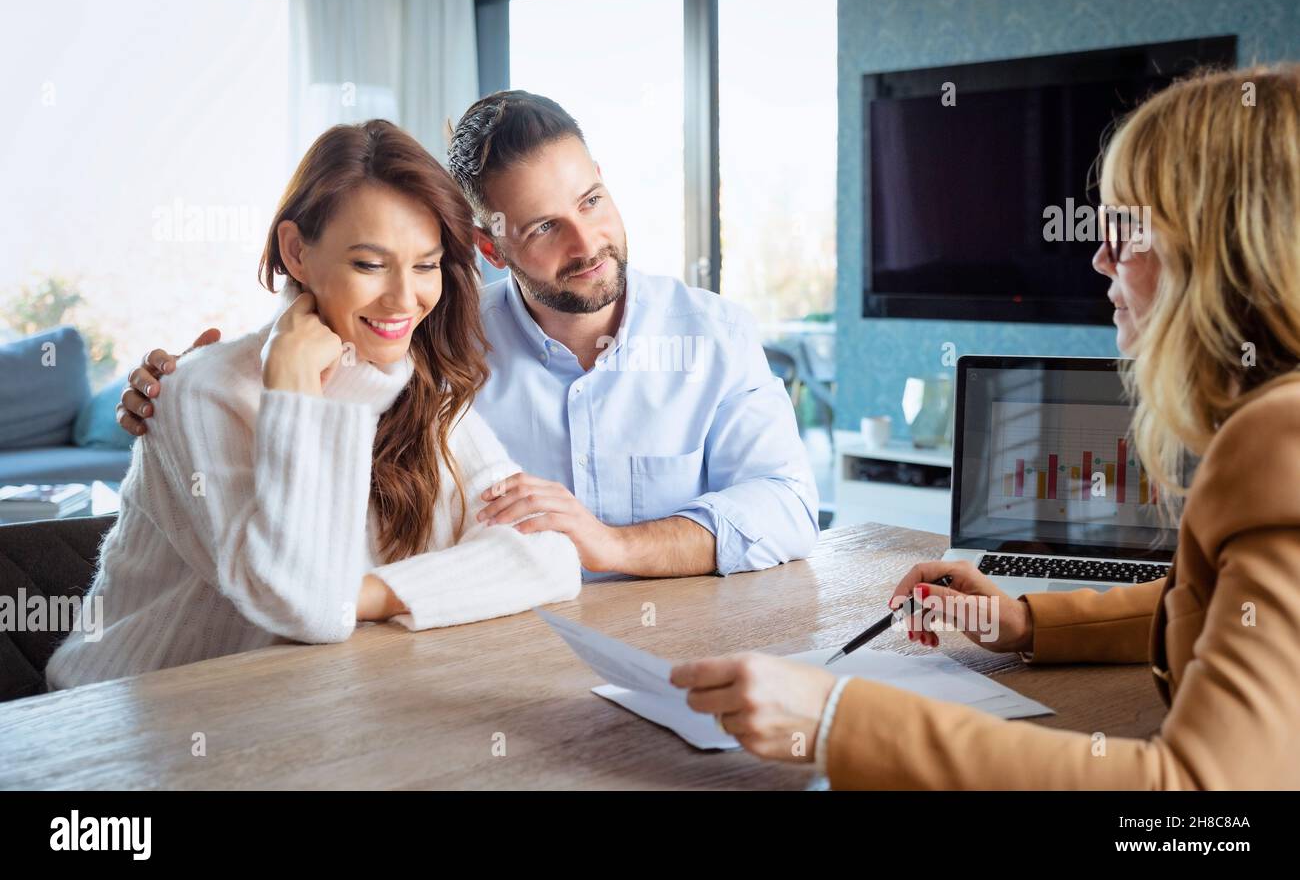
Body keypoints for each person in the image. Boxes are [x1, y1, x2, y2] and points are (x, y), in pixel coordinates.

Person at [670, 64, 1300, 788]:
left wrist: (835, 718)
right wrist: (1027, 624)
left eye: (1125, 232)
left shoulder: (1277, 437)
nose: (1099, 258)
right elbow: (1208, 601)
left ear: (1220, 248)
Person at [117, 92, 820, 580]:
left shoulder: (715, 333)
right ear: (489, 247)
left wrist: (610, 545)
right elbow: (311, 355)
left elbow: (788, 507)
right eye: (544, 226)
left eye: (590, 202)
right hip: (490, 665)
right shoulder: (439, 339)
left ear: (604, 183)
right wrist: (177, 389)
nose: (587, 242)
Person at [46, 120, 580, 691]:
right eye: (370, 265)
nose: (405, 299)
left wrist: (361, 595)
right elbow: (304, 605)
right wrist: (295, 385)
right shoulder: (198, 394)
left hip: (314, 703)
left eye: (425, 265)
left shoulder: (420, 385)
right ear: (297, 252)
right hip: (129, 722)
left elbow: (547, 553)